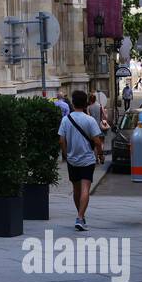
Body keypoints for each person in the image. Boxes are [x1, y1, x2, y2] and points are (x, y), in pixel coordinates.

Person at [58, 90, 104, 232]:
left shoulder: (66, 120)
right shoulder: (89, 120)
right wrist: (100, 154)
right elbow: (97, 141)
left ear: (73, 103)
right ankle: (80, 217)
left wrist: (66, 155)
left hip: (72, 160)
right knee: (85, 189)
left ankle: (81, 216)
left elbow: (61, 140)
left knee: (76, 189)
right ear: (85, 104)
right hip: (87, 160)